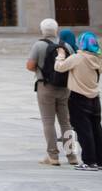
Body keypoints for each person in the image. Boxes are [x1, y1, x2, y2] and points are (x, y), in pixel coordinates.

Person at [27, 18, 77, 166]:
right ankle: (72, 156)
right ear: (56, 30)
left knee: (48, 121)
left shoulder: (39, 45)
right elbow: (73, 63)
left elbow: (30, 65)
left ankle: (53, 156)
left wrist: (40, 69)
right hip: (64, 87)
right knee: (66, 122)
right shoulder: (66, 45)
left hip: (45, 87)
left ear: (42, 30)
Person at [57, 32, 102, 171]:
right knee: (97, 130)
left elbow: (59, 67)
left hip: (78, 98)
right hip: (95, 98)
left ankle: (89, 162)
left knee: (84, 131)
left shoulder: (77, 58)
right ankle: (100, 161)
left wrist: (60, 54)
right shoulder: (98, 58)